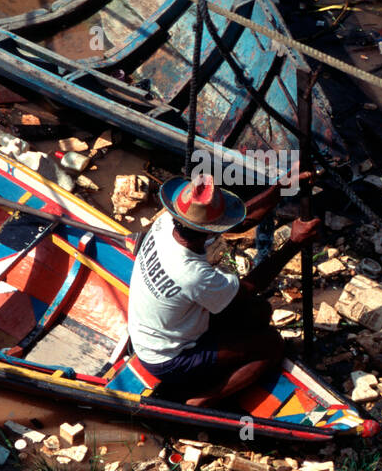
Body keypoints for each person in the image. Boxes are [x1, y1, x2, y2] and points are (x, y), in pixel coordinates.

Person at [127, 174, 320, 407]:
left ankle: (221, 355)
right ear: (208, 230)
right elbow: (248, 288)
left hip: (163, 327)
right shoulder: (191, 272)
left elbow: (240, 222)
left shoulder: (165, 224)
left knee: (259, 311)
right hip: (168, 358)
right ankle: (204, 399)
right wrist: (294, 244)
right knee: (271, 344)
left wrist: (279, 190)